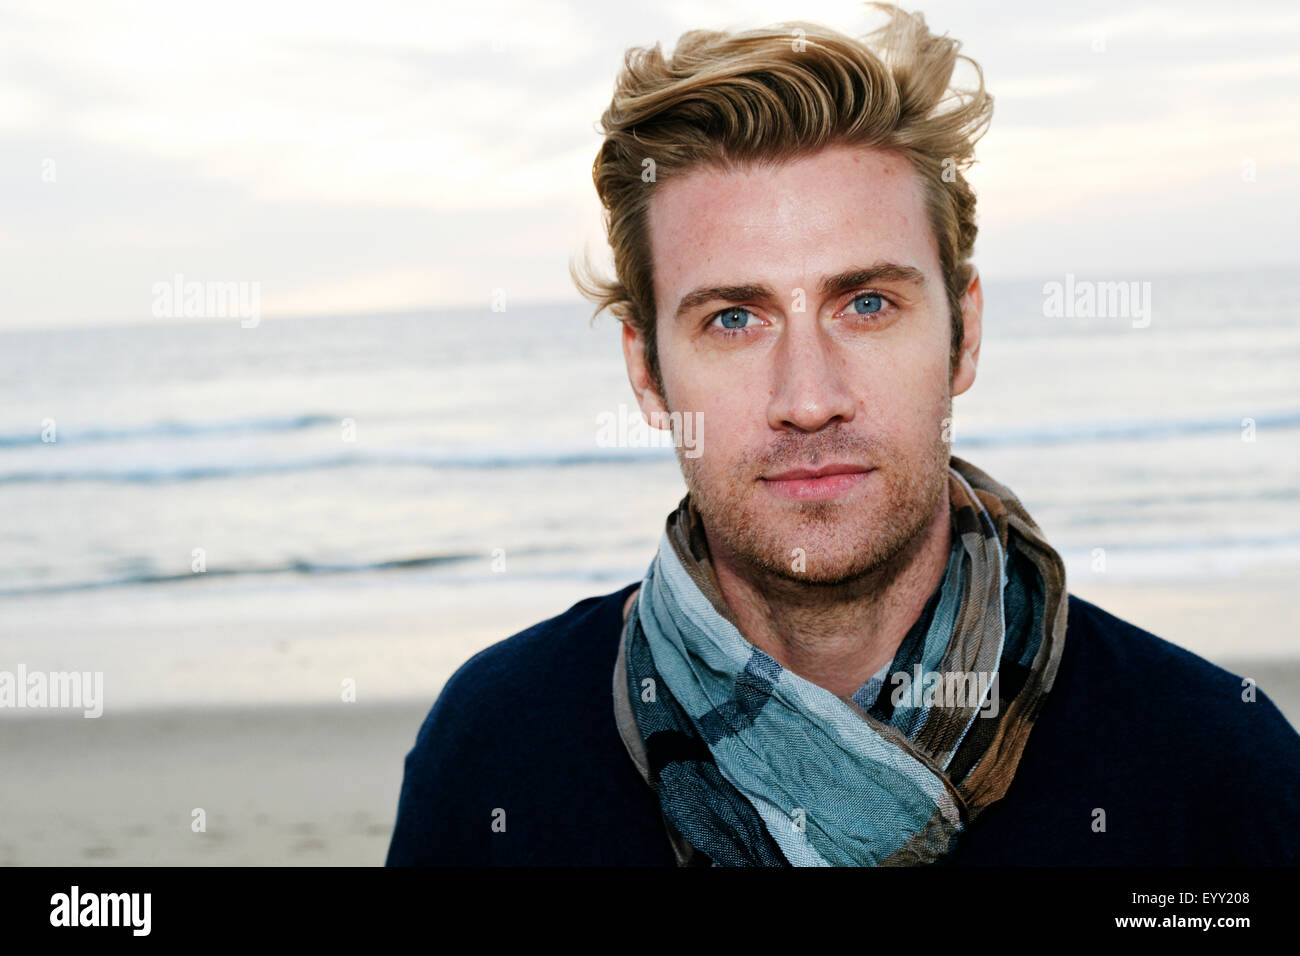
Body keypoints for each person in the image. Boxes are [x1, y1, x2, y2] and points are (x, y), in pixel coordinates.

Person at [386, 3, 1300, 866]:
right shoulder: (496, 747)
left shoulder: (1216, 768)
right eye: (734, 319)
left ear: (963, 333)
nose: (810, 397)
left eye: (866, 303)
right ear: (646, 370)